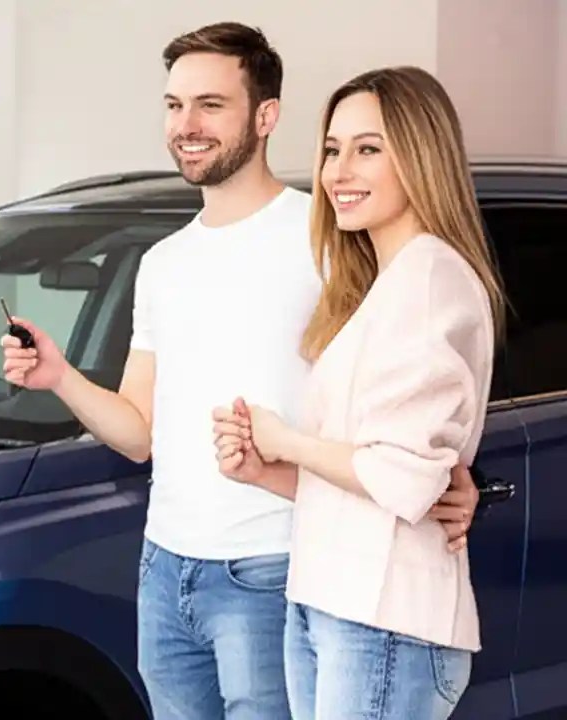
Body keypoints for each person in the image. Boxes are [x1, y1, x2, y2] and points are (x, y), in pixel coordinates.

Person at [0, 22, 480, 719]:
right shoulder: (163, 263)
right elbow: (141, 434)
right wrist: (61, 376)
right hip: (165, 569)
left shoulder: (333, 234)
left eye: (210, 105)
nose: (186, 125)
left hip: (276, 567)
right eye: (173, 105)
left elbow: (413, 379)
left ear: (266, 115)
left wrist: (453, 472)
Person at [213, 66, 505, 719]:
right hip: (330, 602)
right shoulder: (384, 284)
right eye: (331, 149)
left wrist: (285, 438)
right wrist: (269, 469)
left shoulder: (430, 276)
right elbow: (370, 482)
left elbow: (401, 478)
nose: (338, 171)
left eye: (367, 148)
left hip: (382, 618)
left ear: (421, 157)